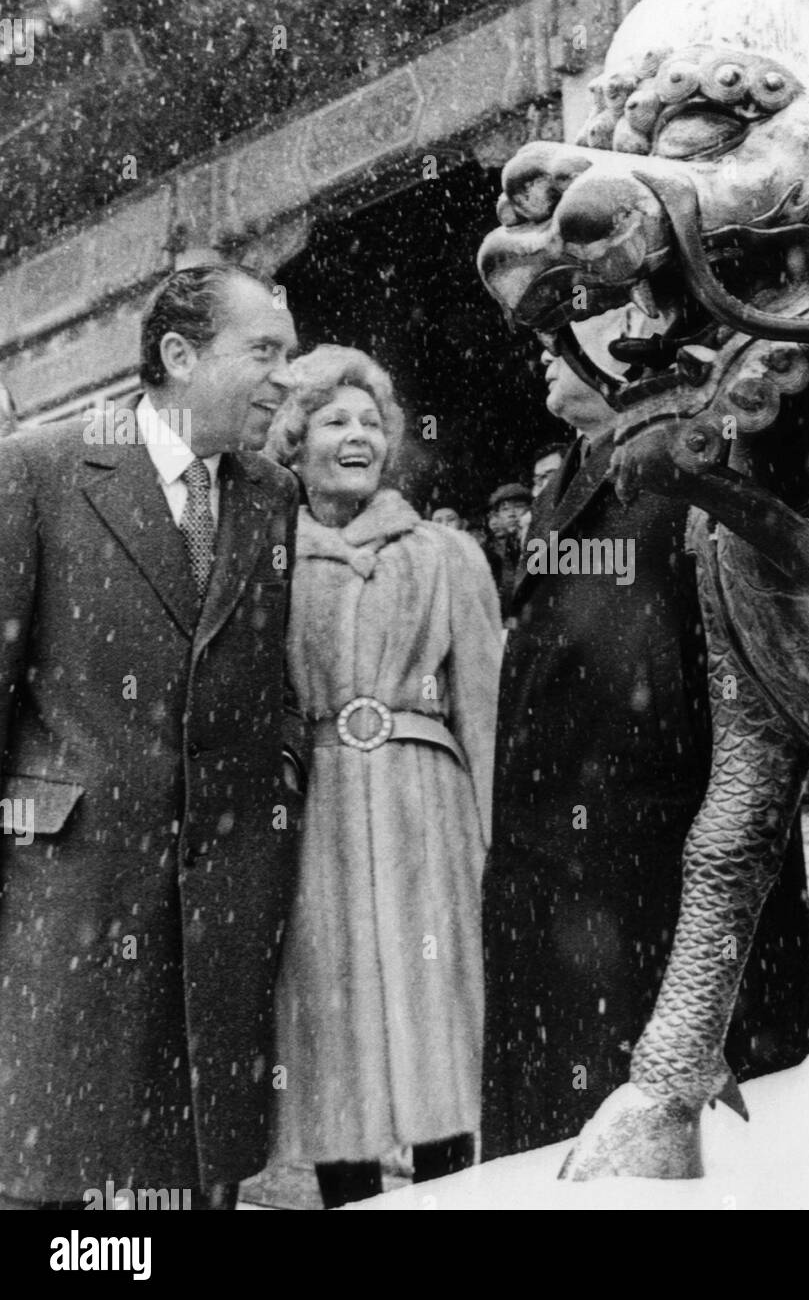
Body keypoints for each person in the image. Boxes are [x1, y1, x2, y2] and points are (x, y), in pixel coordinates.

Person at [480, 305, 809, 1161]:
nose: (542, 351)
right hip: (553, 865)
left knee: (707, 1145)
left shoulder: (700, 465)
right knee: (555, 1133)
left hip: (661, 863)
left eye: (565, 330)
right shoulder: (570, 472)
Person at [0, 263, 307, 1209]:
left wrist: (275, 797)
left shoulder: (270, 493)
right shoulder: (40, 468)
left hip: (223, 882)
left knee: (197, 1166)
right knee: (46, 1164)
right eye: (264, 351)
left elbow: (269, 681)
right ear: (178, 354)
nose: (284, 378)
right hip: (72, 879)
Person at [265, 345, 501, 1208]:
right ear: (294, 441)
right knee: (332, 1027)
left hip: (424, 810)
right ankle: (349, 1193)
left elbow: (485, 710)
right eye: (334, 420)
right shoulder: (266, 564)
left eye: (371, 421)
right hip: (316, 812)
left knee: (439, 1019)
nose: (356, 435)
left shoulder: (447, 555)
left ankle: (454, 1191)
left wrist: (490, 840)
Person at [483, 481, 531, 622]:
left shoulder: (539, 538)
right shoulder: (501, 548)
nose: (511, 514)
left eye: (518, 506)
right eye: (505, 509)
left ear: (530, 509)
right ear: (497, 515)